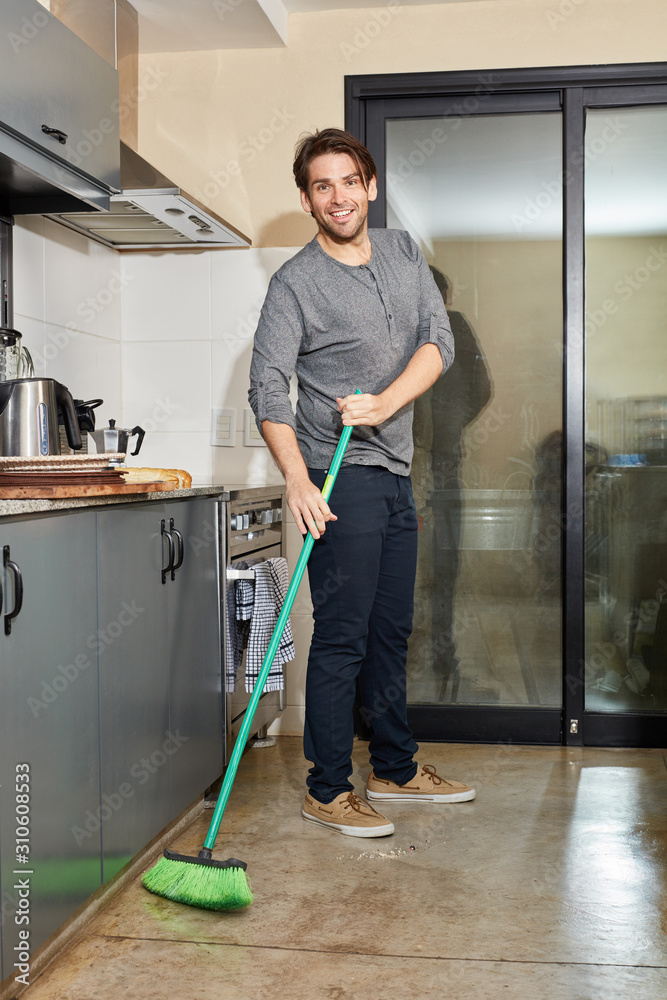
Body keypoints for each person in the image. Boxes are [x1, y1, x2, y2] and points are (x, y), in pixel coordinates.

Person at [248, 127, 476, 838]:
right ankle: (326, 787)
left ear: (369, 186)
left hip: (392, 470)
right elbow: (266, 389)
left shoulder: (404, 251)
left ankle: (395, 768)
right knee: (344, 634)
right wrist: (295, 480)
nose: (337, 196)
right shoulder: (293, 285)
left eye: (348, 181)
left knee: (389, 630)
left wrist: (385, 402)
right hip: (336, 474)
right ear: (307, 199)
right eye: (322, 185)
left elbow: (437, 343)